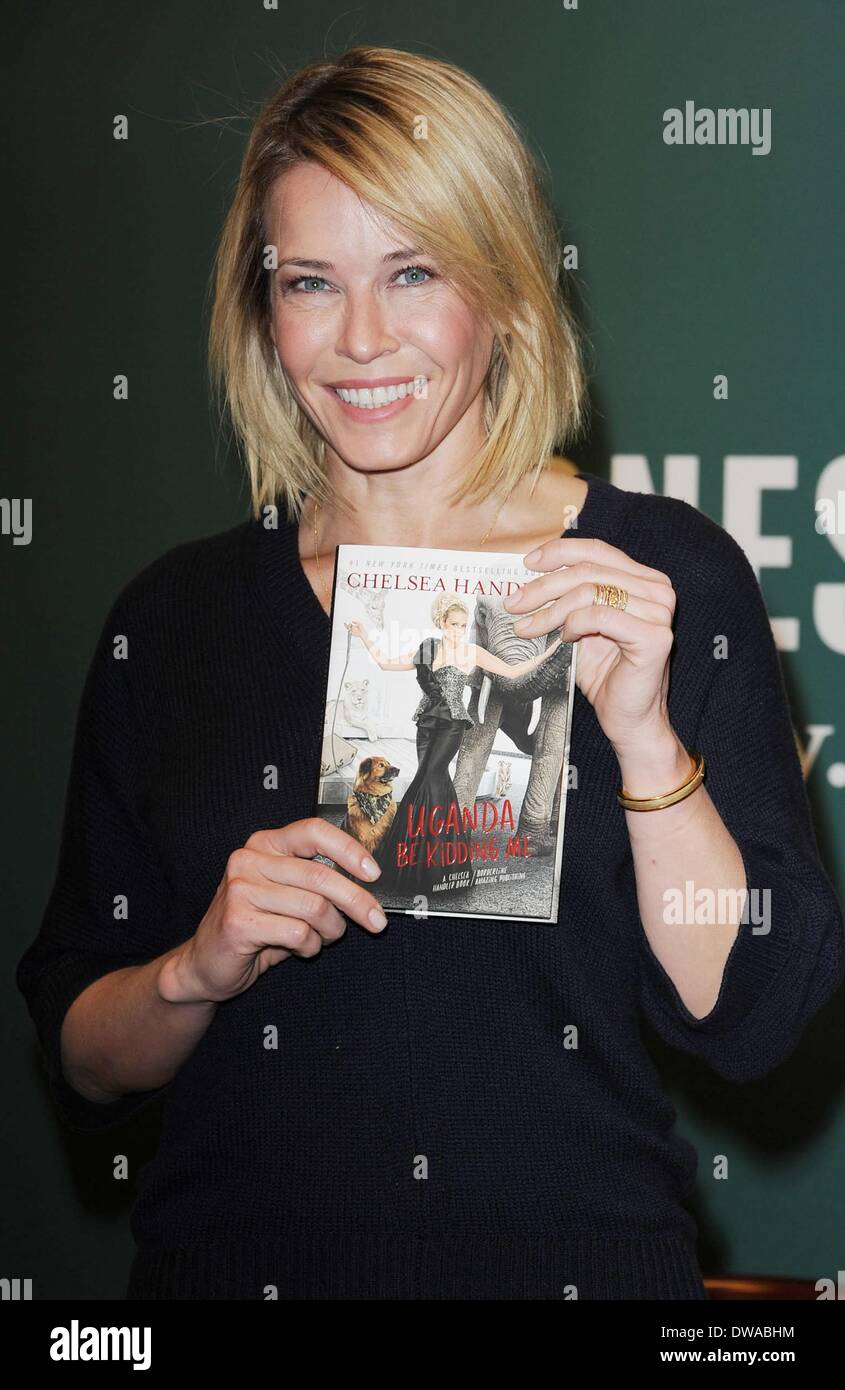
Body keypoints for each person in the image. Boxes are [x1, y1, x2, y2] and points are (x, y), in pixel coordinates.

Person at [16, 46, 844, 1301]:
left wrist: (643, 743)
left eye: (412, 273)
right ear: (262, 309)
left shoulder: (658, 576)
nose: (360, 340)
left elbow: (753, 1016)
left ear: (506, 290)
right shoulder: (172, 619)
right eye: (310, 282)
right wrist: (196, 964)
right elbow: (80, 1052)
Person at [346, 595, 563, 897]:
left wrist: (551, 651)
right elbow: (385, 663)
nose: (458, 630)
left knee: (431, 779)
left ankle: (431, 864)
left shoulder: (472, 651)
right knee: (432, 784)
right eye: (453, 624)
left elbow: (513, 672)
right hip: (425, 725)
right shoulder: (428, 649)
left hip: (451, 725)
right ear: (442, 622)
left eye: (463, 625)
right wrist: (363, 635)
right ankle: (422, 862)